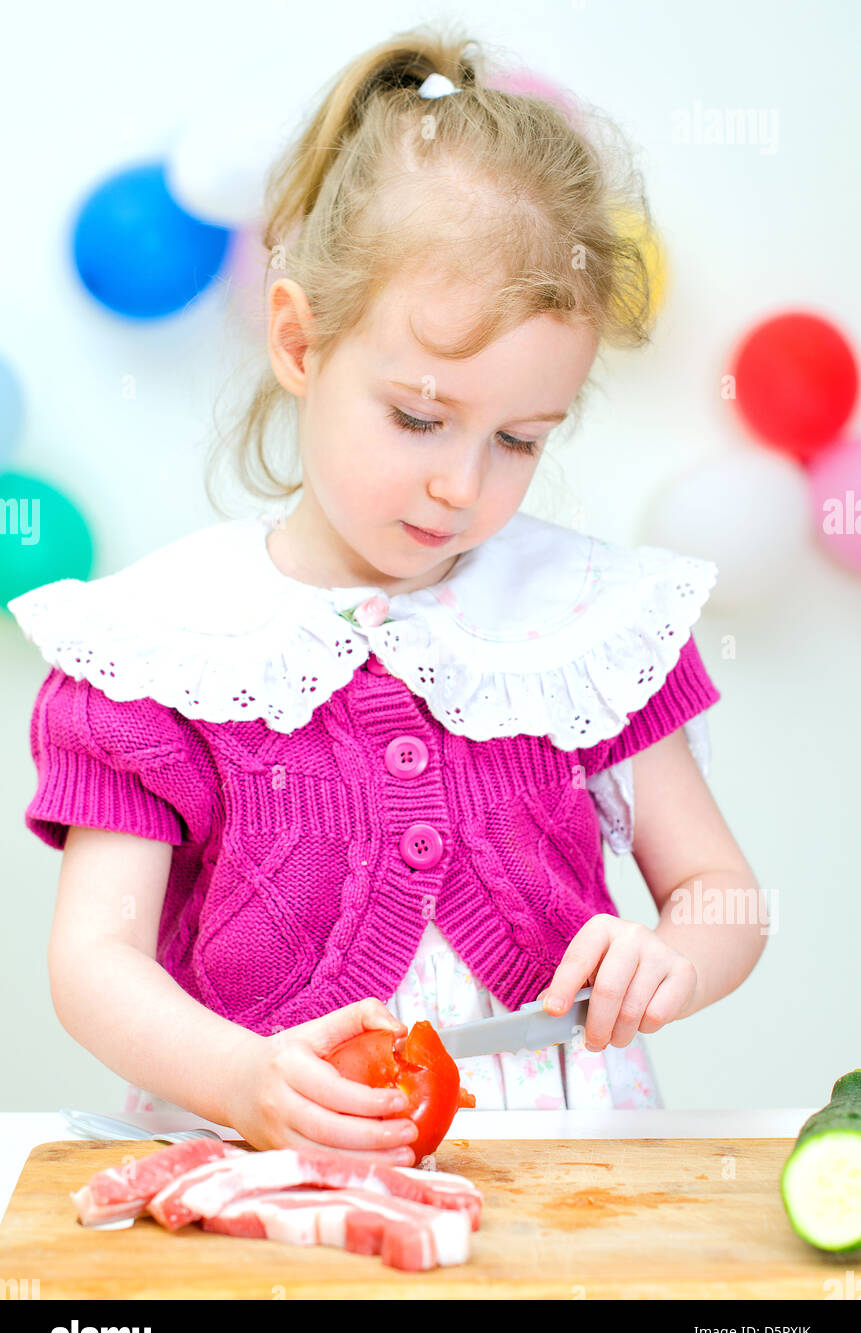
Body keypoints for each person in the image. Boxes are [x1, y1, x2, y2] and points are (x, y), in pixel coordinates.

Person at [9, 26, 766, 1158]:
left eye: (519, 439)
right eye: (419, 418)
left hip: (565, 1161)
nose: (460, 484)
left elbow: (717, 889)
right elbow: (94, 962)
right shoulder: (160, 645)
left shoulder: (588, 624)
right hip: (266, 1153)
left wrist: (676, 955)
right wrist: (244, 1077)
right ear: (301, 342)